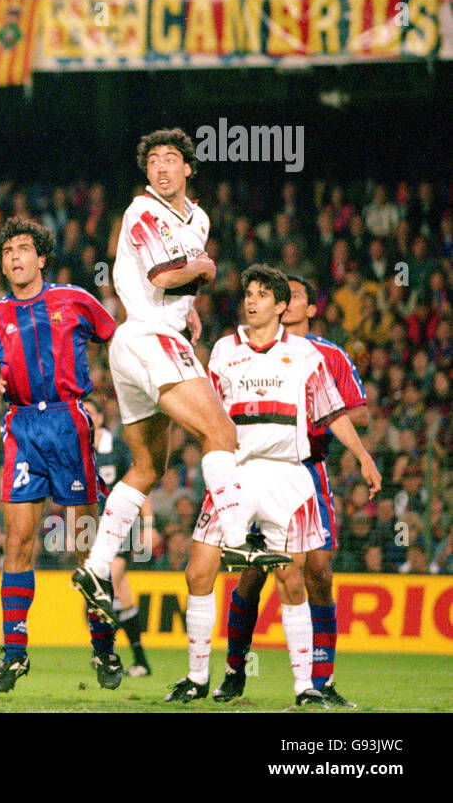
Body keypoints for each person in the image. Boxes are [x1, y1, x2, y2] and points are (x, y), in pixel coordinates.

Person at [73, 129, 286, 622]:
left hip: (145, 341)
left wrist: (187, 310)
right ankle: (238, 540)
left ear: (189, 169)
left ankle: (97, 565)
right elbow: (165, 276)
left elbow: (176, 284)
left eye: (171, 159)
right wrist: (205, 271)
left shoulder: (199, 216)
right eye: (153, 161)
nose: (162, 168)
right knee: (221, 432)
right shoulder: (141, 210)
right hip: (147, 339)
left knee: (148, 466)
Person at [169, 265, 382, 705]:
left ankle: (305, 687)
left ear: (281, 306)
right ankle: (196, 677)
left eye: (263, 295)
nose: (252, 301)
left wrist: (362, 456)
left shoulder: (306, 354)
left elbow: (332, 413)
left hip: (287, 474)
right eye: (248, 293)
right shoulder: (225, 350)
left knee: (290, 578)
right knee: (199, 571)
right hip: (235, 473)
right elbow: (207, 408)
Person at [0, 218, 124, 693]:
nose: (14, 256)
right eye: (7, 250)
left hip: (70, 423)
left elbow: (120, 342)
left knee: (83, 547)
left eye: (23, 248)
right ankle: (14, 653)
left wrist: (104, 401)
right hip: (22, 426)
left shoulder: (74, 299)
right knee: (17, 542)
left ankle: (104, 648)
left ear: (41, 257)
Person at [83, 394, 152, 676]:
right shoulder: (76, 449)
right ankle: (139, 661)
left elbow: (140, 484)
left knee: (107, 583)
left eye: (90, 413)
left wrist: (148, 524)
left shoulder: (118, 448)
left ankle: (107, 655)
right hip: (88, 527)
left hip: (120, 526)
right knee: (116, 593)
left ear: (99, 418)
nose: (86, 418)